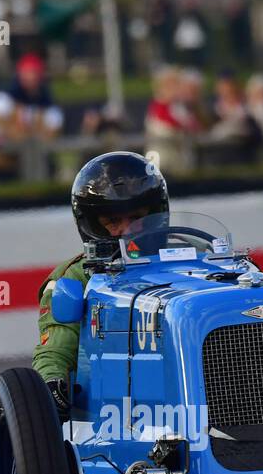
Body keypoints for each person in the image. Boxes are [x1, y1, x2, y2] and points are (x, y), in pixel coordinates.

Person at [33, 152, 170, 419]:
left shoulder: (189, 257)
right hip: (111, 413)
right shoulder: (73, 278)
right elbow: (55, 348)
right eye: (114, 222)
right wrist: (52, 383)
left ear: (156, 214)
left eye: (136, 218)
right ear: (94, 225)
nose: (127, 229)